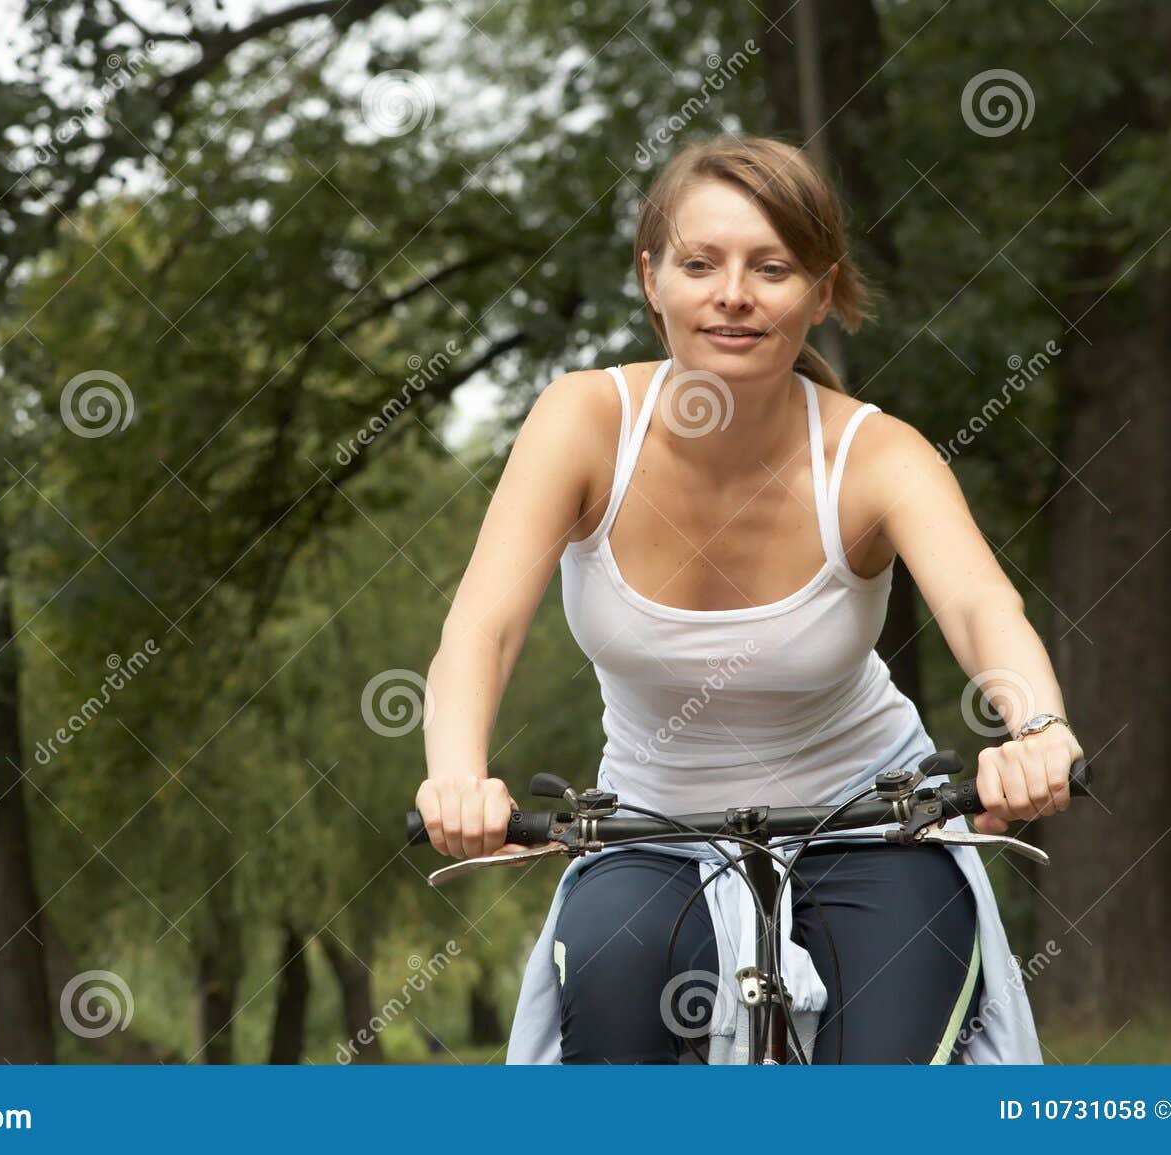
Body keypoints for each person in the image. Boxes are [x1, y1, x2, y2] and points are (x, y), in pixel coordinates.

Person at [413, 135, 1085, 1064]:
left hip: (875, 822)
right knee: (612, 1011)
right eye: (700, 263)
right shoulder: (582, 422)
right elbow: (479, 631)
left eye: (772, 267)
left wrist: (1036, 727)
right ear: (652, 278)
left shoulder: (876, 455)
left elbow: (982, 608)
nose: (733, 294)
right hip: (648, 827)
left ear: (820, 289)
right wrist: (456, 769)